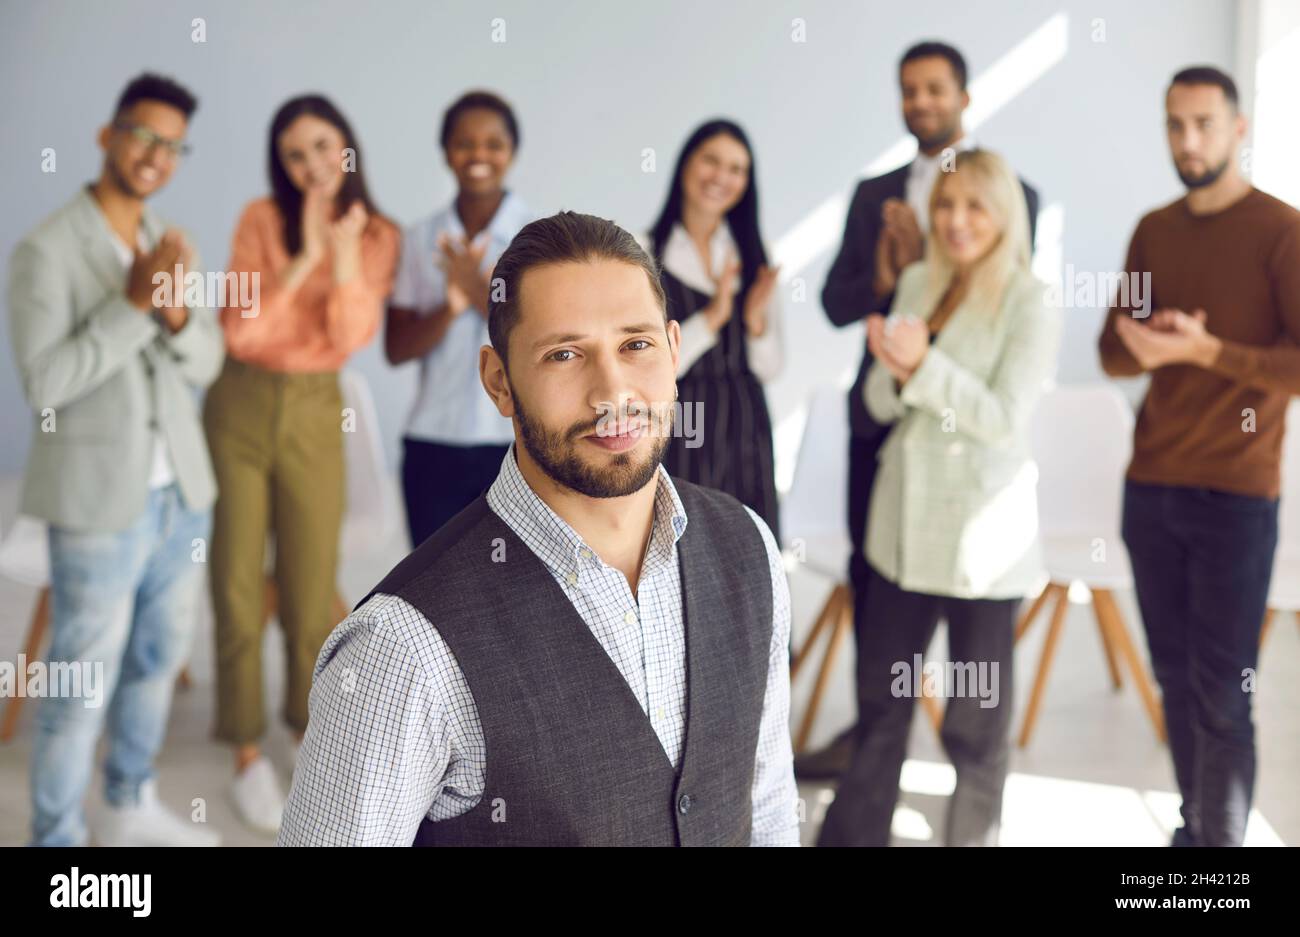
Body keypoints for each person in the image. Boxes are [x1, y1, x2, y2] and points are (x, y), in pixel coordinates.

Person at [278, 212, 799, 846]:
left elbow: (767, 804)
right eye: (564, 354)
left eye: (635, 345)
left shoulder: (749, 547)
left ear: (673, 348)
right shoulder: (401, 650)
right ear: (499, 381)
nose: (612, 391)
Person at [806, 40, 1040, 778]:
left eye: (935, 89)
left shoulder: (1011, 192)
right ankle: (876, 738)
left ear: (965, 97)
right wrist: (889, 277)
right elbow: (838, 303)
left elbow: (1008, 313)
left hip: (965, 442)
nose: (921, 102)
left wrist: (924, 355)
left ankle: (957, 758)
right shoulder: (874, 191)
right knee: (881, 595)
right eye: (909, 90)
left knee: (967, 631)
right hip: (881, 424)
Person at [817, 149, 1061, 846]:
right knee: (880, 704)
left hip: (980, 543)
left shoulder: (1030, 299)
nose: (956, 221)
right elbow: (874, 399)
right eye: (946, 205)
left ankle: (970, 837)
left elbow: (1002, 416)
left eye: (974, 206)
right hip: (899, 528)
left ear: (1004, 213)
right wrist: (896, 375)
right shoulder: (919, 278)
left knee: (975, 723)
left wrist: (921, 365)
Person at [8, 73, 223, 846]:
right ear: (108, 135)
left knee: (157, 660)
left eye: (172, 145)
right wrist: (134, 306)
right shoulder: (44, 250)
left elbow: (206, 359)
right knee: (78, 684)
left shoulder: (164, 237)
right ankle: (57, 841)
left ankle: (128, 805)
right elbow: (46, 383)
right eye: (142, 135)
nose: (155, 154)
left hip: (180, 496)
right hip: (98, 504)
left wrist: (171, 313)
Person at [1098, 66, 1300, 847]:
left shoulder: (1281, 230)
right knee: (1175, 680)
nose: (1188, 140)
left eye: (1204, 124)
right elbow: (1112, 353)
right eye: (1175, 125)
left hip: (1236, 498)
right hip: (1150, 488)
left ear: (1239, 127)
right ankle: (1197, 833)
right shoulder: (1155, 228)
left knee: (1223, 691)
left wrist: (1211, 350)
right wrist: (1146, 348)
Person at [205, 94, 400, 835]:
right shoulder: (262, 219)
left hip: (319, 407)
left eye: (322, 145)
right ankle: (247, 753)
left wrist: (345, 256)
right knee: (234, 579)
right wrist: (306, 260)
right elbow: (241, 331)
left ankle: (305, 733)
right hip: (240, 405)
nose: (312, 163)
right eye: (294, 154)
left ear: (345, 146)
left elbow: (350, 335)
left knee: (311, 585)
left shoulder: (377, 234)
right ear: (280, 165)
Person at [385, 91, 532, 546]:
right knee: (431, 593)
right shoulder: (420, 238)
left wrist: (475, 288)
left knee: (514, 589)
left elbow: (541, 335)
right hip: (433, 444)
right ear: (446, 152)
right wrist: (452, 303)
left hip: (514, 443)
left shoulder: (538, 237)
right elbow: (397, 348)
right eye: (465, 143)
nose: (479, 155)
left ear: (512, 152)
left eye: (493, 143)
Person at [641, 119, 784, 541]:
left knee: (749, 543)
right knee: (684, 543)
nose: (723, 177)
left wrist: (755, 321)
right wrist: (714, 318)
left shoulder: (754, 253)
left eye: (737, 169)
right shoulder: (643, 250)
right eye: (711, 161)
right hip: (684, 421)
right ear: (686, 164)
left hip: (746, 423)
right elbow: (648, 364)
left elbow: (770, 368)